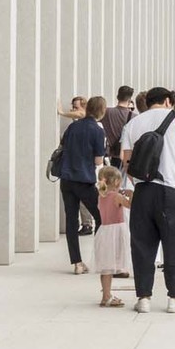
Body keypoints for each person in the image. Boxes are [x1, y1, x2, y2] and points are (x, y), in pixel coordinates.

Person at [119, 85, 175, 314]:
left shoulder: (132, 123)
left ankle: (143, 298)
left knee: (142, 246)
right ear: (166, 101)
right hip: (171, 189)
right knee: (174, 245)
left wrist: (140, 182)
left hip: (143, 191)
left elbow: (126, 161)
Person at [59, 96, 109, 271]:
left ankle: (77, 263)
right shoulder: (97, 130)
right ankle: (99, 256)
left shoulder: (73, 127)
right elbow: (98, 161)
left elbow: (63, 145)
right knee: (101, 217)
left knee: (71, 220)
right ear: (102, 111)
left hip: (66, 179)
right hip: (84, 179)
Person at [93, 166, 130, 307]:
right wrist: (131, 194)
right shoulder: (117, 197)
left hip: (104, 232)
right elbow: (131, 205)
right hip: (116, 233)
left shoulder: (101, 196)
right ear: (116, 182)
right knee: (110, 265)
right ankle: (107, 296)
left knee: (106, 266)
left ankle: (106, 295)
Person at [101, 86, 137, 169]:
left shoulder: (106, 112)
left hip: (110, 156)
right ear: (130, 99)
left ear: (117, 97)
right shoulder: (134, 117)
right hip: (127, 156)